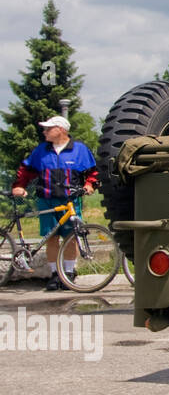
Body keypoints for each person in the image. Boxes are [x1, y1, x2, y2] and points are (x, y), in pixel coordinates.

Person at [11, 115, 99, 290]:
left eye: (48, 129)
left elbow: (92, 171)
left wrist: (89, 185)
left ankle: (69, 272)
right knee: (51, 237)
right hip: (47, 199)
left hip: (71, 199)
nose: (44, 132)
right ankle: (54, 274)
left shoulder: (79, 149)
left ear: (61, 130)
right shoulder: (41, 150)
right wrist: (19, 186)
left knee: (71, 236)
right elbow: (26, 169)